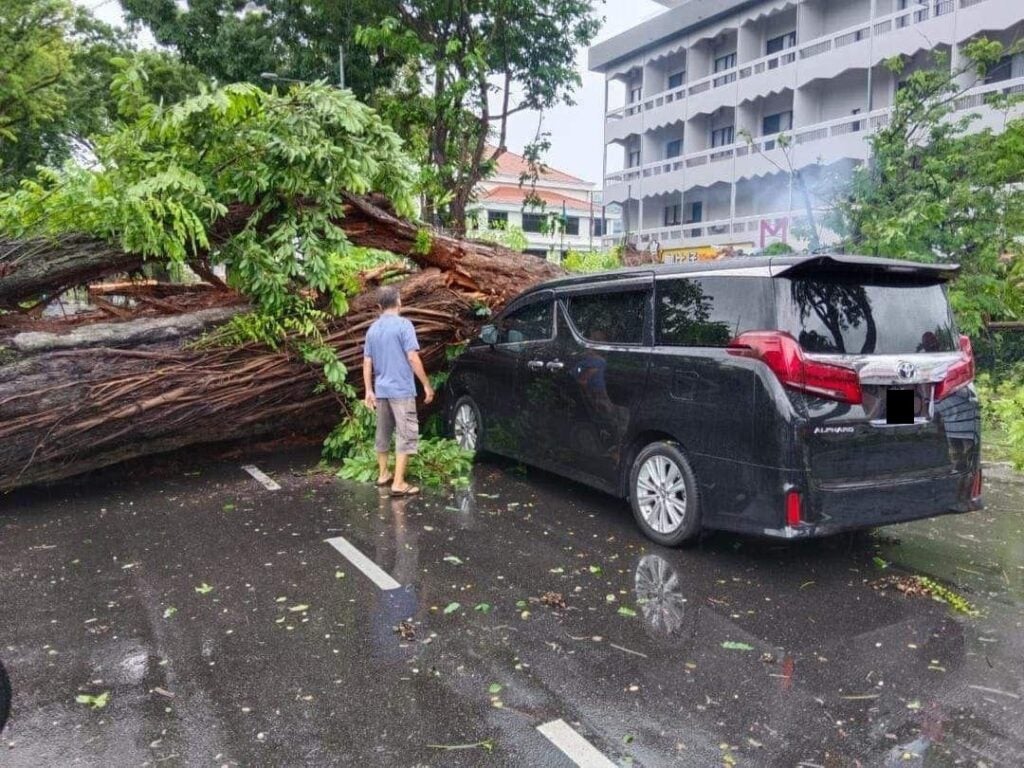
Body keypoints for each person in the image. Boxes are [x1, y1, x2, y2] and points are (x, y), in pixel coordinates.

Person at [362, 285, 434, 496]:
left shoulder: (372, 329)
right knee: (405, 435)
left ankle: (384, 474)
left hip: (381, 390)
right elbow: (412, 357)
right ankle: (399, 483)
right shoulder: (404, 325)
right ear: (399, 301)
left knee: (382, 433)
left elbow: (367, 361)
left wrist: (368, 390)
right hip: (402, 390)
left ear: (379, 306)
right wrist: (426, 384)